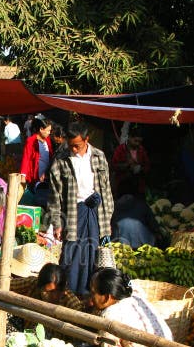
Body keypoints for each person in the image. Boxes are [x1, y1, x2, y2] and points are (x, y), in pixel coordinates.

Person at [47, 121, 114, 295]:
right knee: (70, 256)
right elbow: (54, 195)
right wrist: (57, 223)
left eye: (77, 146)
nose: (74, 150)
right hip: (73, 214)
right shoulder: (61, 160)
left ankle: (88, 296)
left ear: (86, 139)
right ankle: (67, 294)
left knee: (92, 256)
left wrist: (107, 221)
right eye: (71, 146)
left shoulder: (99, 157)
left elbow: (106, 191)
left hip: (95, 213)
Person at [111, 127, 150, 198]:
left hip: (138, 186)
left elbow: (147, 166)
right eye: (136, 141)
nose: (137, 144)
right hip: (122, 186)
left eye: (139, 142)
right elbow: (113, 165)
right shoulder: (120, 149)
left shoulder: (141, 150)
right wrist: (127, 166)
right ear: (129, 138)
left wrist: (140, 168)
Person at [20, 117, 54, 187]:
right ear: (41, 129)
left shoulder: (48, 140)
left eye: (50, 131)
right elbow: (26, 158)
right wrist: (23, 176)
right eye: (48, 131)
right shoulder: (31, 141)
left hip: (47, 174)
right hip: (36, 174)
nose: (49, 133)